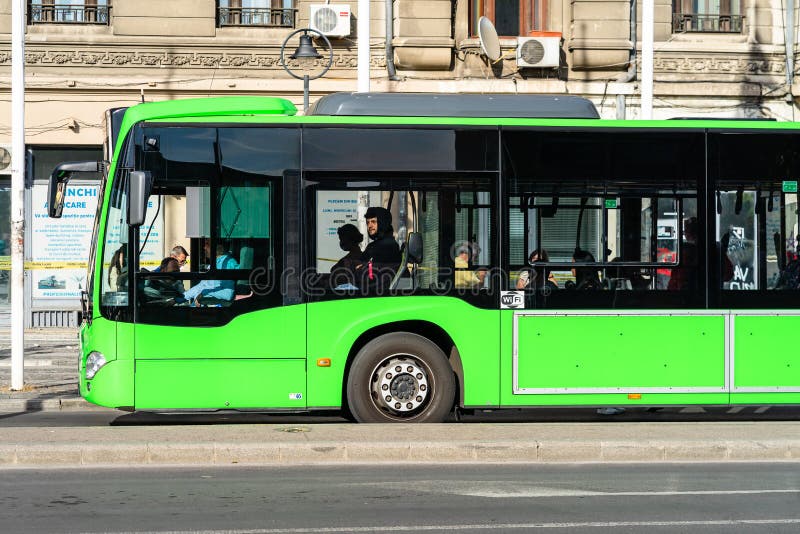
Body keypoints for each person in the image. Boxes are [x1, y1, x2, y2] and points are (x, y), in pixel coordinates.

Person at [357, 207, 401, 289]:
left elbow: (371, 276)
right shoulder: (373, 246)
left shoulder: (388, 246)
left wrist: (361, 269)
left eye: (373, 222)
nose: (369, 225)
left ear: (382, 222)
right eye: (368, 222)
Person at [330, 223, 363, 289]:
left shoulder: (349, 260)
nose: (341, 242)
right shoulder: (362, 256)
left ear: (349, 239)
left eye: (342, 239)